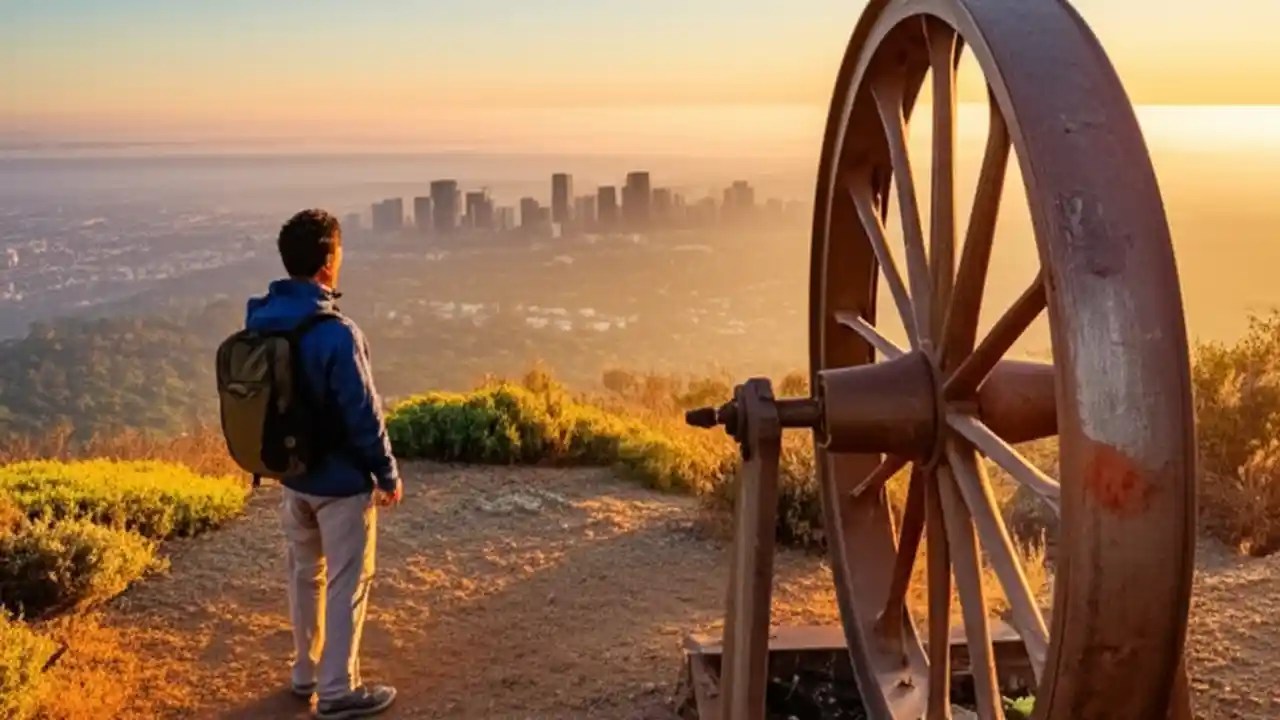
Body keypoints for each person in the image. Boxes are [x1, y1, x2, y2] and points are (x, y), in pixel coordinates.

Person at [245, 208, 403, 719]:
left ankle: (305, 672)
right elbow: (363, 413)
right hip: (340, 484)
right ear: (329, 262)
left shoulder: (262, 319)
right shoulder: (338, 333)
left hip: (293, 477)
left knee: (304, 575)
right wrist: (387, 472)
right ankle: (337, 691)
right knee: (346, 582)